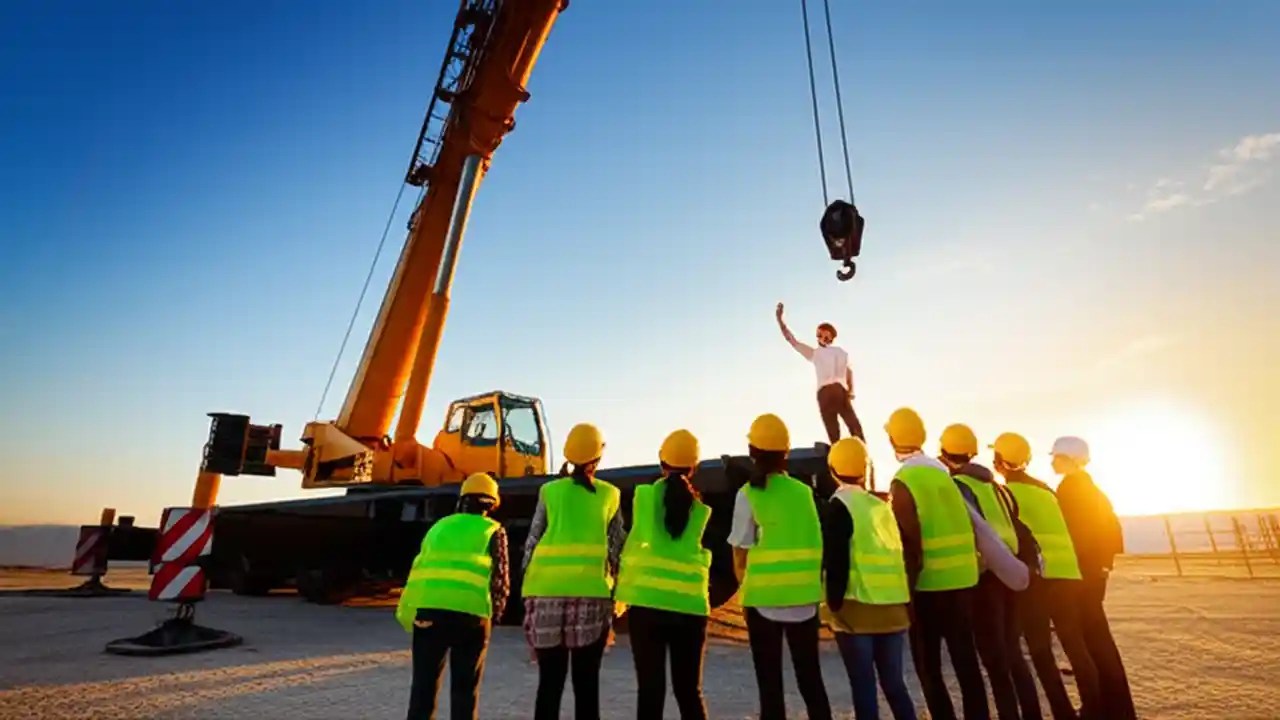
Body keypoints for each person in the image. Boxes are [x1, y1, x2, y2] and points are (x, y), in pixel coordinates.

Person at [883, 408, 989, 720]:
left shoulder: (904, 480)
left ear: (892, 440)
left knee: (929, 669)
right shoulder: (943, 474)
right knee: (966, 663)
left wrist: (907, 593)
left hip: (930, 586)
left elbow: (909, 544)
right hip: (963, 580)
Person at [728, 413, 833, 720]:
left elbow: (739, 553)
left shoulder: (748, 494)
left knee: (770, 687)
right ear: (786, 453)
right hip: (804, 600)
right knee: (811, 681)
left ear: (752, 453)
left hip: (763, 603)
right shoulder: (804, 493)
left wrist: (746, 590)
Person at [993, 432, 1104, 720]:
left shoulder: (1005, 494)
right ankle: (1094, 709)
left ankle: (1063, 711)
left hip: (1040, 580)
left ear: (999, 461)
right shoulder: (1046, 490)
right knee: (1075, 645)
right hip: (1068, 573)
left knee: (1041, 651)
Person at [521, 423, 625, 720]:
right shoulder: (611, 494)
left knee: (549, 684)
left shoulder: (548, 491)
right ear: (598, 457)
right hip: (592, 596)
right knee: (586, 685)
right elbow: (616, 547)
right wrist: (618, 594)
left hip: (545, 595)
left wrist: (526, 588)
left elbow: (532, 541)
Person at [939, 424, 1040, 720]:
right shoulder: (995, 486)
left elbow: (973, 533)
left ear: (945, 454)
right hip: (1011, 574)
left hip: (986, 580)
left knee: (996, 663)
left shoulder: (959, 487)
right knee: (1013, 656)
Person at [615, 429, 713, 720]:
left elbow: (633, 545)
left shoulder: (644, 497)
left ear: (662, 462)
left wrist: (620, 595)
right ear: (694, 468)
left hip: (648, 606)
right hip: (691, 607)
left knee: (650, 691)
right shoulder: (699, 509)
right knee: (689, 692)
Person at [397, 472, 509, 720]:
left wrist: (407, 613)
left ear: (463, 499)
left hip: (428, 615)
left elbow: (418, 571)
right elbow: (500, 580)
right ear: (491, 503)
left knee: (422, 690)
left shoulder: (438, 527)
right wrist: (494, 615)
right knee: (465, 692)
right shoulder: (493, 530)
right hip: (471, 618)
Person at [821, 437, 917, 720]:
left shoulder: (839, 506)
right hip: (893, 611)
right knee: (895, 686)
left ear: (833, 469)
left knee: (864, 687)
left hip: (857, 611)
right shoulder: (881, 507)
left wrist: (833, 606)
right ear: (865, 469)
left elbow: (836, 561)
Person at [1051, 436, 1138, 720]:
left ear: (1070, 460)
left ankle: (1097, 709)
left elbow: (1071, 534)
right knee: (1099, 640)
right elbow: (1113, 529)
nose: (1052, 461)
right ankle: (1118, 709)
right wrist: (1103, 565)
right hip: (1093, 575)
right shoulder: (1092, 489)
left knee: (1086, 644)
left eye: (1057, 457)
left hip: (1079, 577)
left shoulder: (1070, 489)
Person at [775, 302, 863, 443]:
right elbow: (792, 340)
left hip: (830, 392)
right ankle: (852, 451)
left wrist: (780, 320)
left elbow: (848, 371)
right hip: (834, 392)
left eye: (823, 336)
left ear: (829, 337)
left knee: (842, 430)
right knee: (849, 428)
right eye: (819, 335)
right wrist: (780, 321)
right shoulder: (824, 353)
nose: (820, 338)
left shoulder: (826, 353)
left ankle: (847, 451)